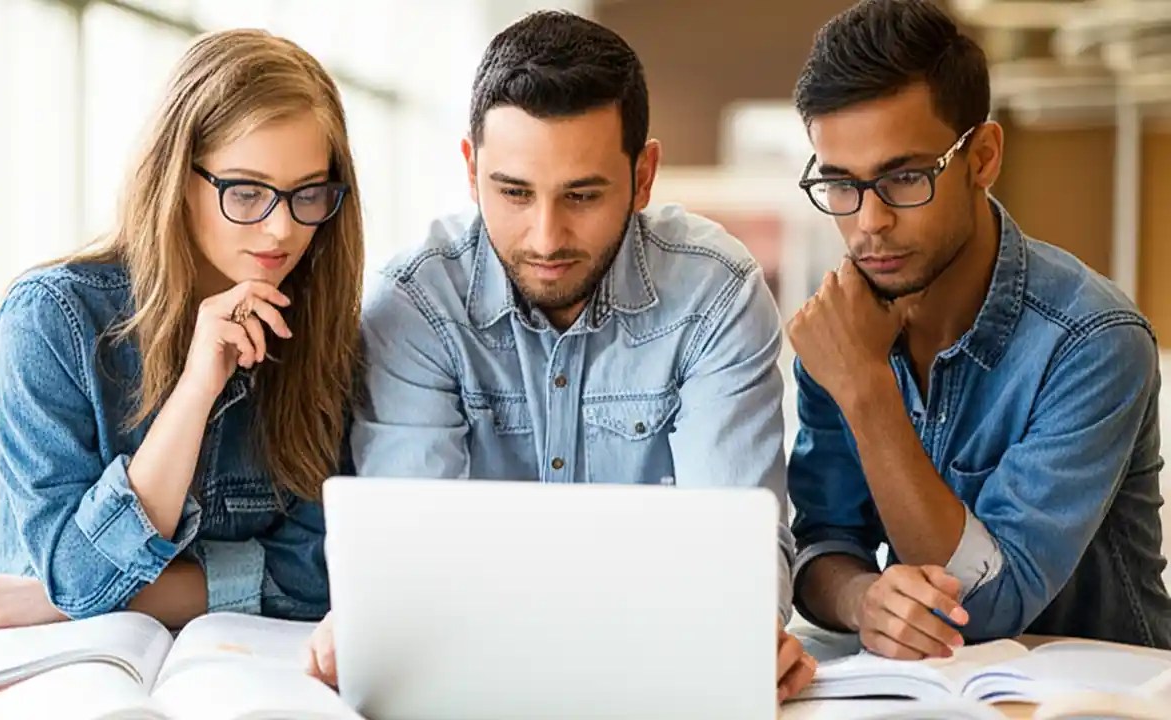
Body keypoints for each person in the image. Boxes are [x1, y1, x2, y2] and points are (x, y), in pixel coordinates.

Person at [305, 10, 815, 702]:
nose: (546, 237)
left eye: (583, 195)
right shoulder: (416, 305)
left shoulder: (715, 295)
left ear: (643, 177)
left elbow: (739, 563)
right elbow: (411, 570)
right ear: (471, 169)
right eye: (513, 192)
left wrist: (747, 631)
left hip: (656, 690)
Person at [786, 0, 1171, 659]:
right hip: (927, 691)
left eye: (906, 177)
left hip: (1095, 692)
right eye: (841, 184)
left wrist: (867, 388)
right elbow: (823, 541)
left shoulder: (1093, 340)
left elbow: (986, 606)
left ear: (983, 157)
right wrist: (864, 600)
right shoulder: (842, 327)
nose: (869, 222)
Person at [0, 29, 363, 641]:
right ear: (177, 177)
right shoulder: (52, 320)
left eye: (307, 193)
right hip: (60, 671)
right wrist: (196, 390)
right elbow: (77, 575)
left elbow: (320, 573)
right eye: (246, 192)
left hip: (237, 671)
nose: (282, 229)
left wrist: (108, 597)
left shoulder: (326, 333)